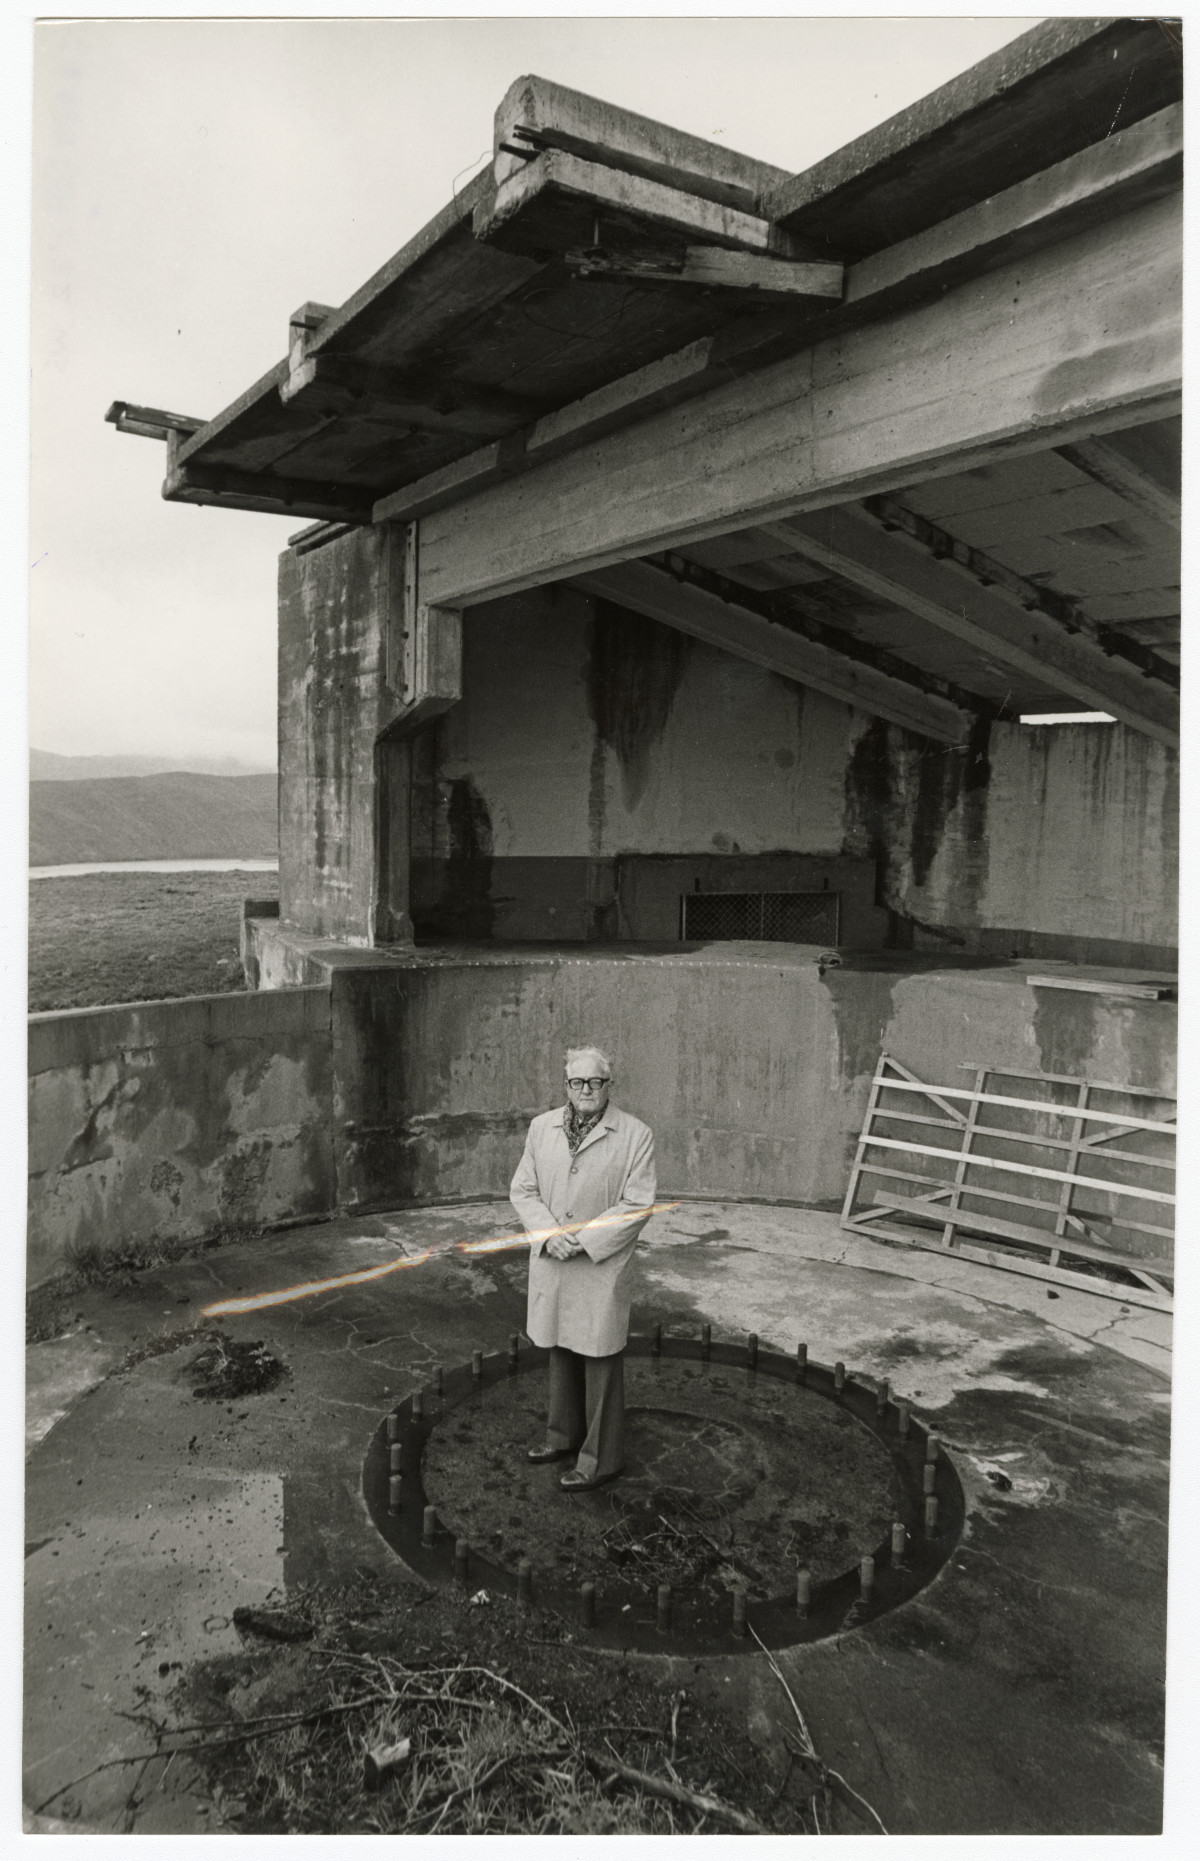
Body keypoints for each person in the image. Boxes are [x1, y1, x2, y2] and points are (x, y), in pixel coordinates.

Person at [510, 1045, 657, 1492]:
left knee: (600, 1359)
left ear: (609, 1085)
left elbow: (637, 1205)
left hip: (599, 1264)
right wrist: (551, 1235)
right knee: (560, 1350)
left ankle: (600, 1459)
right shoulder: (541, 1129)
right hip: (554, 1258)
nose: (587, 1090)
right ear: (566, 1085)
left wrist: (585, 1241)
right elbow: (523, 1188)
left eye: (596, 1082)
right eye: (578, 1082)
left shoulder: (636, 1135)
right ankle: (561, 1437)